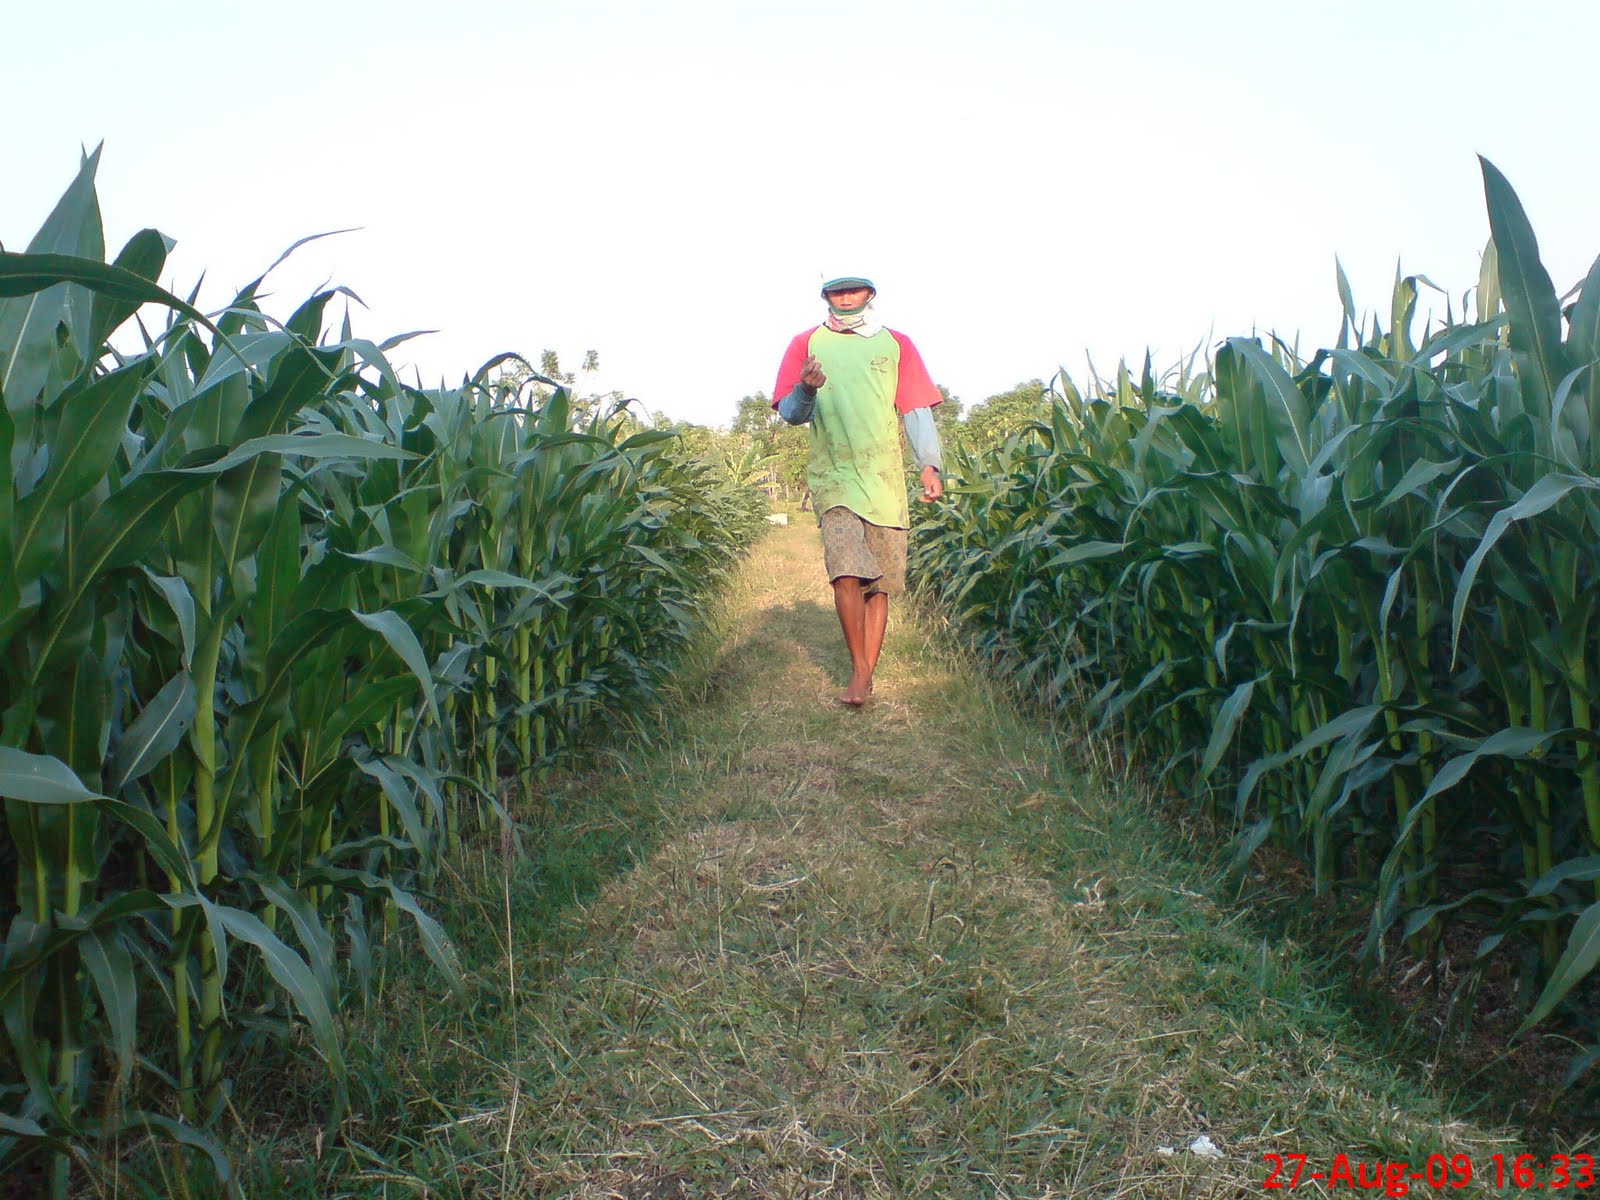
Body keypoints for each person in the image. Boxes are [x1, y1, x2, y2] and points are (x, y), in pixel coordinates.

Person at [772, 274, 944, 707]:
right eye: (837, 292)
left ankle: (866, 671)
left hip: (884, 477)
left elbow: (916, 408)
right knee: (845, 572)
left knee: (879, 585)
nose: (846, 297)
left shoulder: (896, 344)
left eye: (854, 290)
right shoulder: (805, 344)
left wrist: (929, 464)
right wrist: (806, 388)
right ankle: (860, 670)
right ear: (826, 298)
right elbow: (791, 414)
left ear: (870, 295)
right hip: (834, 477)